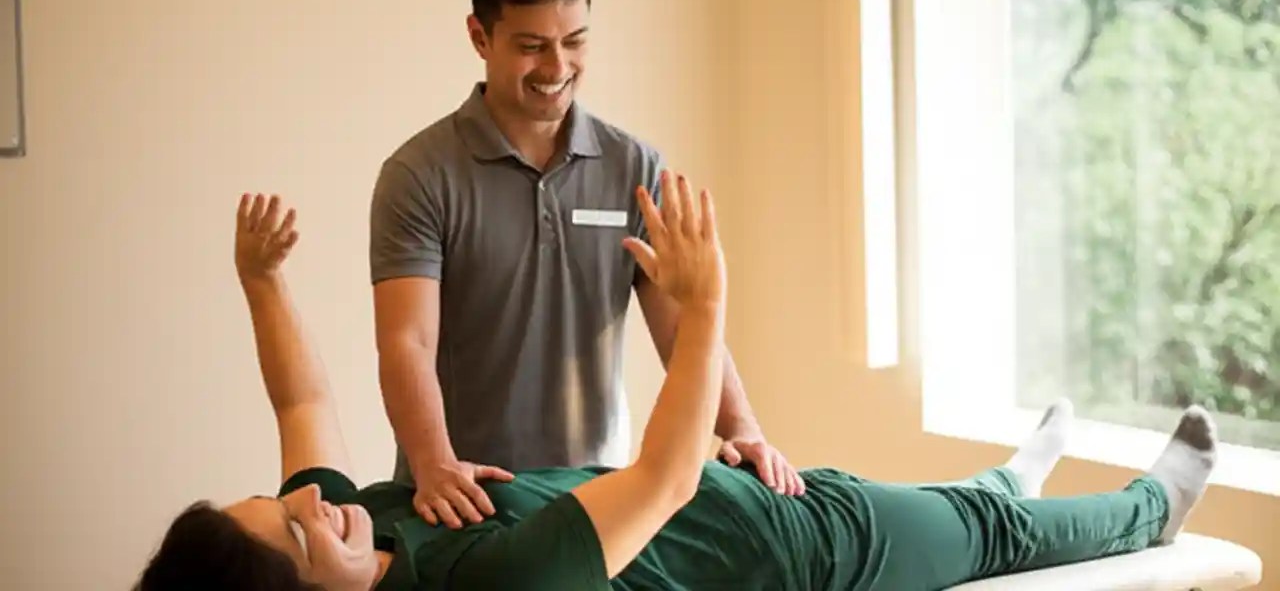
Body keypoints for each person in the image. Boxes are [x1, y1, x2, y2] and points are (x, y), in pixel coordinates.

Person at [136, 178, 1219, 591]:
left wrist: (260, 281)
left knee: (959, 508)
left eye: (281, 499)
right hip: (788, 554)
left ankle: (1007, 473)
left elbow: (300, 410)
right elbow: (656, 480)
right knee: (984, 540)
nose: (310, 501)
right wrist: (703, 308)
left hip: (743, 493)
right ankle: (1154, 505)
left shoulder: (358, 522)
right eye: (293, 532)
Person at [367, 0, 800, 532]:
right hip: (463, 502)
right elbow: (406, 341)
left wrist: (743, 429)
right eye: (532, 46)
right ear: (478, 36)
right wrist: (433, 462)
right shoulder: (419, 175)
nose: (557, 67)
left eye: (574, 41)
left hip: (595, 506)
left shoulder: (636, 170)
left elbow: (684, 327)